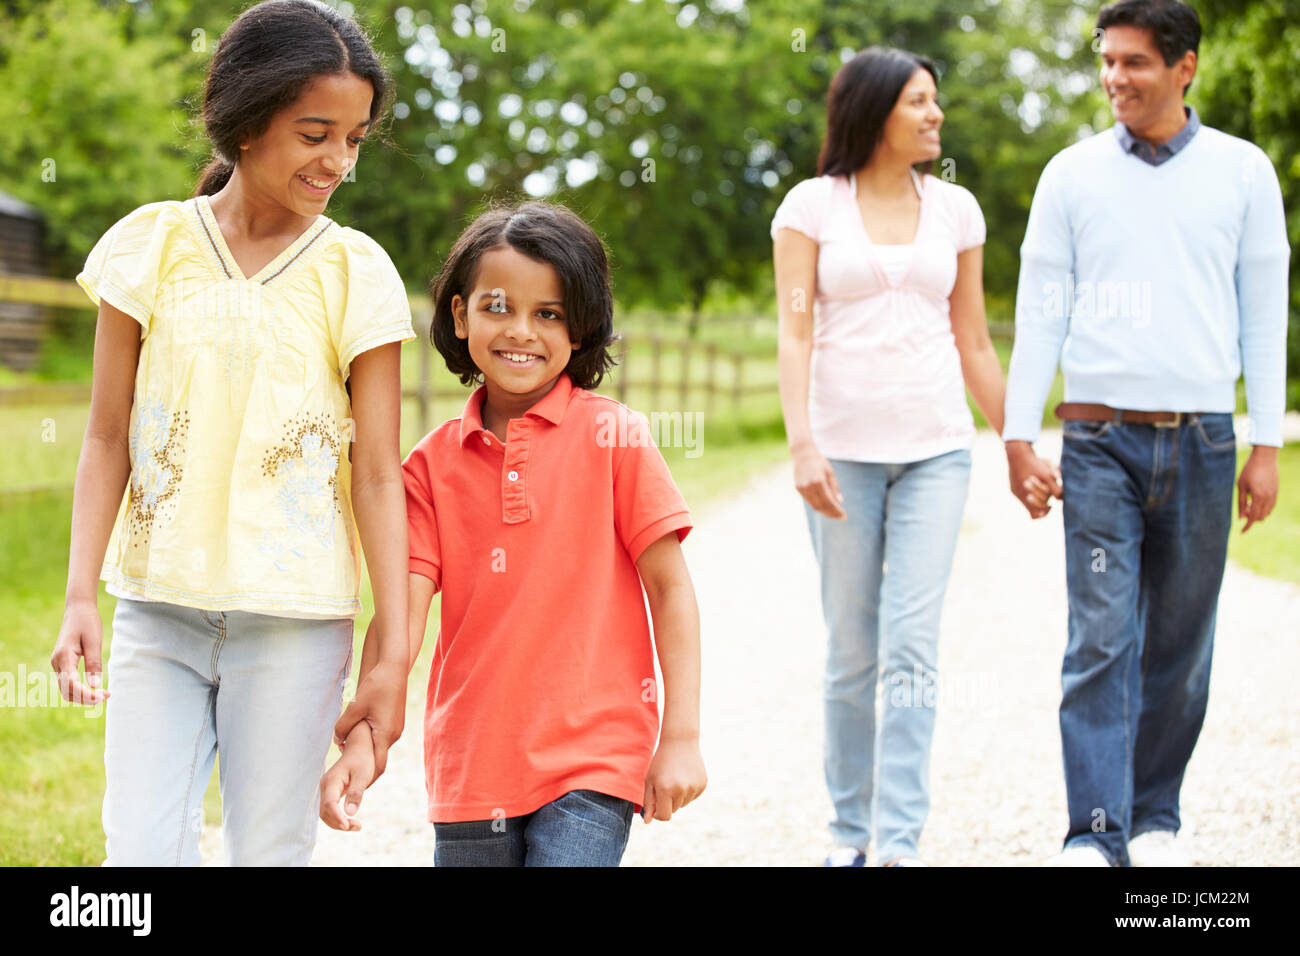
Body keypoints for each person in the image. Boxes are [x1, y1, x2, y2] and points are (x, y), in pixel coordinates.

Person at [50, 0, 416, 866]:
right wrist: (77, 595)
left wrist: (391, 653)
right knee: (136, 853)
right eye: (315, 132)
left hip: (295, 622)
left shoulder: (355, 271)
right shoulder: (152, 245)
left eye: (355, 139)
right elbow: (106, 437)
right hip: (157, 611)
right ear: (247, 123)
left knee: (268, 852)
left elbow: (375, 474)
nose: (338, 161)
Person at [321, 201, 707, 866]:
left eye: (549, 313)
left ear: (580, 327)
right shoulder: (429, 468)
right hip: (472, 765)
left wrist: (681, 735)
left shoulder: (615, 437)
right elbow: (399, 619)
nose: (521, 331)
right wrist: (365, 735)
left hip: (594, 757)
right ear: (461, 315)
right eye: (498, 307)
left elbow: (671, 592)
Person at [1003, 0, 1290, 867]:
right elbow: (1040, 315)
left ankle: (1155, 819)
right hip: (1097, 444)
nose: (1114, 78)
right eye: (1108, 60)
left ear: (1186, 66)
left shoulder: (1244, 173)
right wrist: (1020, 433)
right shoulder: (1070, 175)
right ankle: (1095, 833)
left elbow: (1263, 317)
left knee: (1180, 641)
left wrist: (1266, 444)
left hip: (1203, 440)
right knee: (1100, 637)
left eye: (1133, 62)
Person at [772, 47, 1008, 867]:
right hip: (841, 456)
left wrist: (1018, 442)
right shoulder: (811, 208)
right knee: (852, 651)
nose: (936, 114)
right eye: (919, 101)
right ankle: (849, 834)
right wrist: (802, 444)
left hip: (938, 451)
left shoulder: (958, 211)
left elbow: (973, 341)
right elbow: (794, 329)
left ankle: (899, 842)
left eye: (936, 100)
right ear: (874, 110)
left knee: (911, 645)